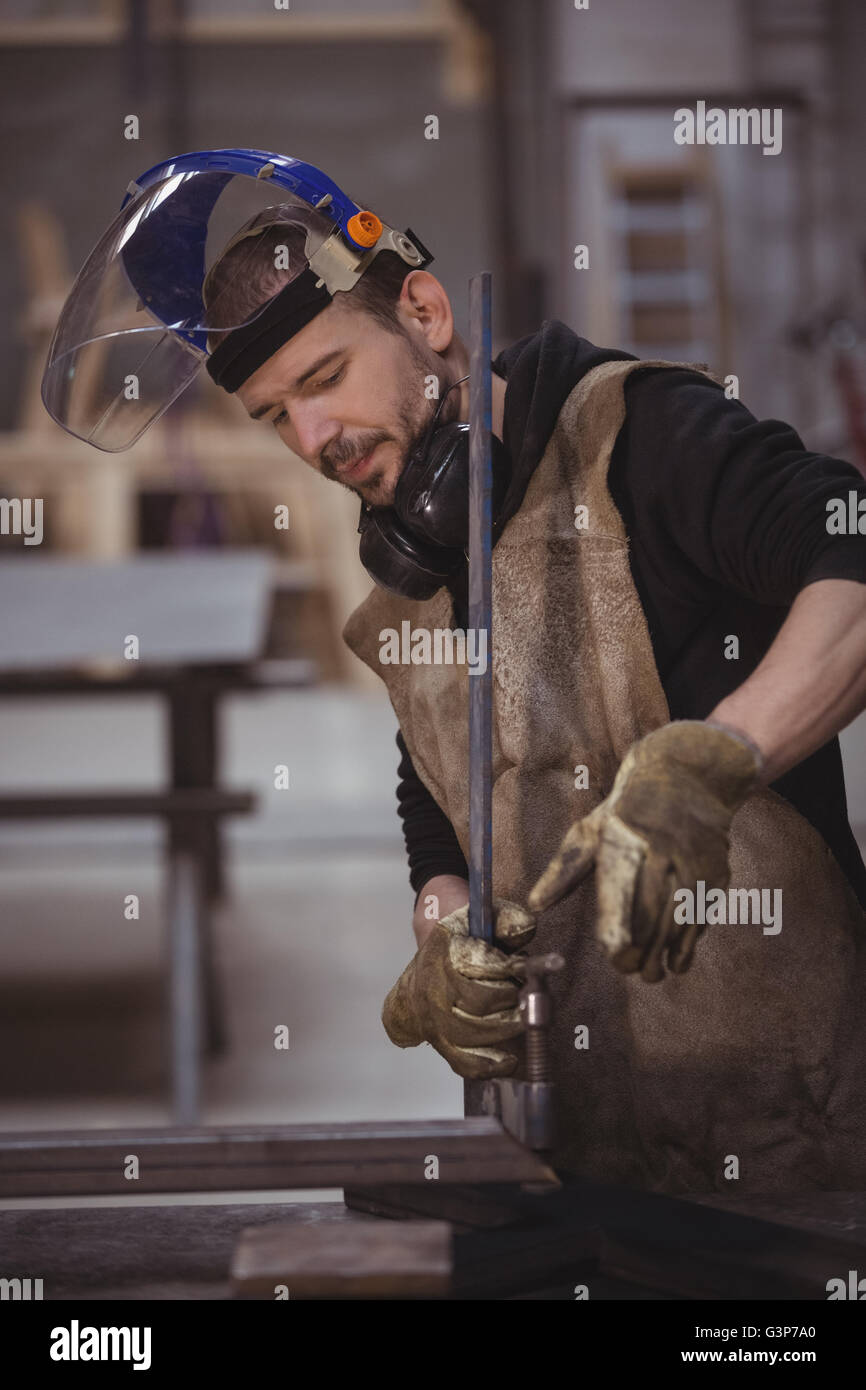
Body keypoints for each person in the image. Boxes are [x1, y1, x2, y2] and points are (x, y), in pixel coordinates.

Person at [45, 149, 866, 1194]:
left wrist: (715, 759)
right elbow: (433, 799)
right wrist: (440, 931)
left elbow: (848, 546)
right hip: (566, 1143)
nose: (313, 437)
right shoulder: (415, 547)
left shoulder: (646, 436)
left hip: (793, 1137)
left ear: (425, 312)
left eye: (324, 379)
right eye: (271, 416)